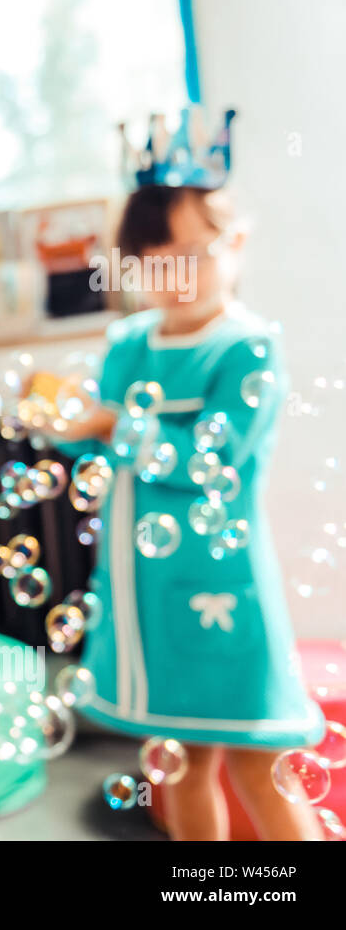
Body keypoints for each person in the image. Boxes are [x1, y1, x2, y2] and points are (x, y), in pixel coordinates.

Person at [35, 183, 325, 839]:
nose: (175, 276)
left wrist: (118, 426)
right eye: (154, 260)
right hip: (146, 592)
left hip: (223, 592)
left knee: (259, 764)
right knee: (178, 767)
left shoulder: (245, 349)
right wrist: (61, 420)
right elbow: (88, 430)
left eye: (193, 252)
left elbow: (210, 464)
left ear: (236, 245)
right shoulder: (129, 344)